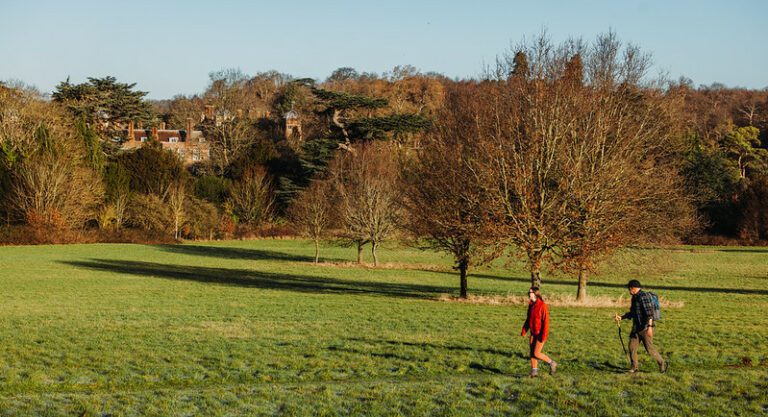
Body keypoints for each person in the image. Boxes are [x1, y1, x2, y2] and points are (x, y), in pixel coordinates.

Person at [615, 279, 667, 373]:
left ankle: (662, 362)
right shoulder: (634, 297)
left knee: (649, 349)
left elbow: (650, 313)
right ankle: (634, 367)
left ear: (633, 288)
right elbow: (633, 313)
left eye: (629, 288)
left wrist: (650, 327)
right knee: (632, 347)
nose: (629, 290)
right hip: (636, 328)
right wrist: (622, 317)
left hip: (645, 328)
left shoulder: (644, 297)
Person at [521, 287, 557, 377]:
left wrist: (544, 335)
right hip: (533, 333)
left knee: (536, 353)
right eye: (528, 292)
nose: (529, 293)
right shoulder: (531, 305)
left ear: (535, 293)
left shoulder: (542, 306)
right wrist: (524, 330)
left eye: (530, 292)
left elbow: (546, 322)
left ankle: (552, 363)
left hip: (541, 334)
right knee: (532, 353)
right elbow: (528, 319)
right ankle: (534, 371)